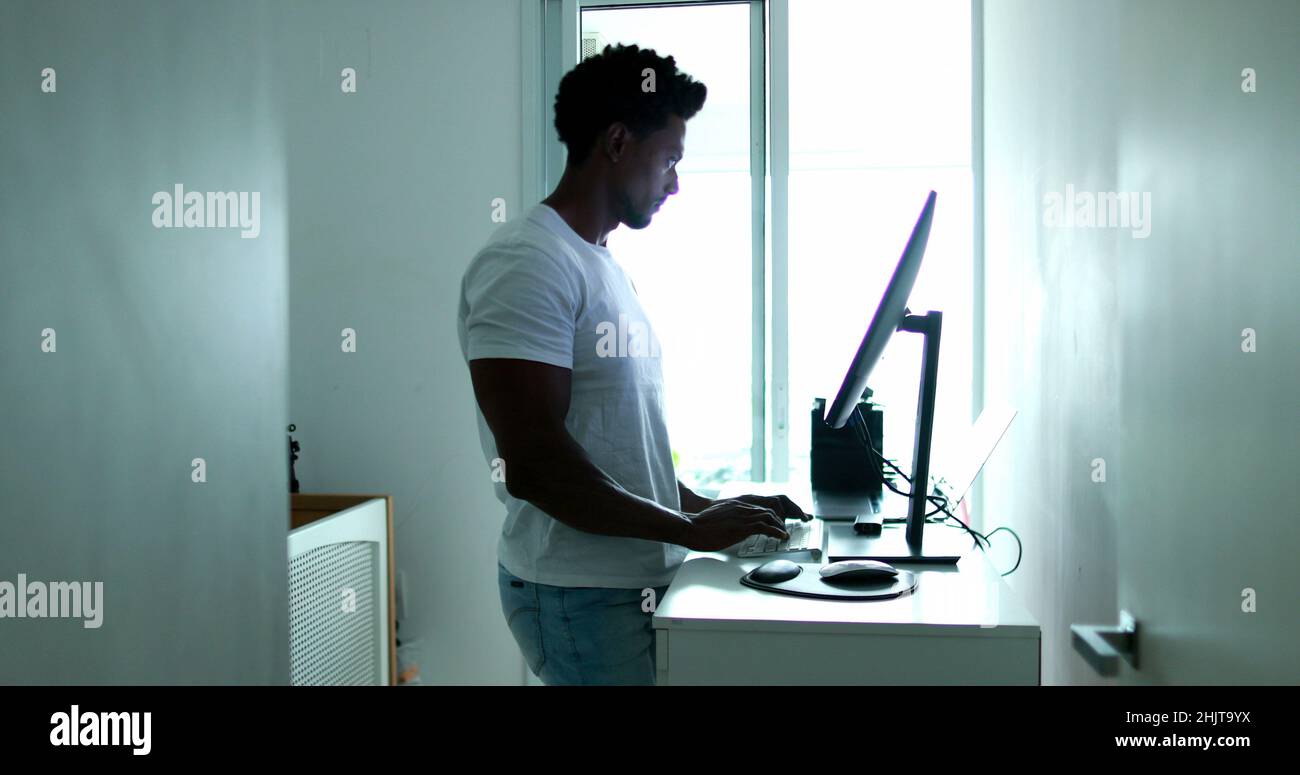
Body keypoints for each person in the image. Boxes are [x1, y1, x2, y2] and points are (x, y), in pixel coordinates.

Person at [457, 43, 805, 685]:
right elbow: (535, 464)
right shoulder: (526, 264)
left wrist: (714, 511)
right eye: (669, 158)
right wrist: (689, 529)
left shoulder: (602, 265)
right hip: (577, 590)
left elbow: (622, 455)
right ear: (617, 142)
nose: (675, 181)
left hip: (622, 584)